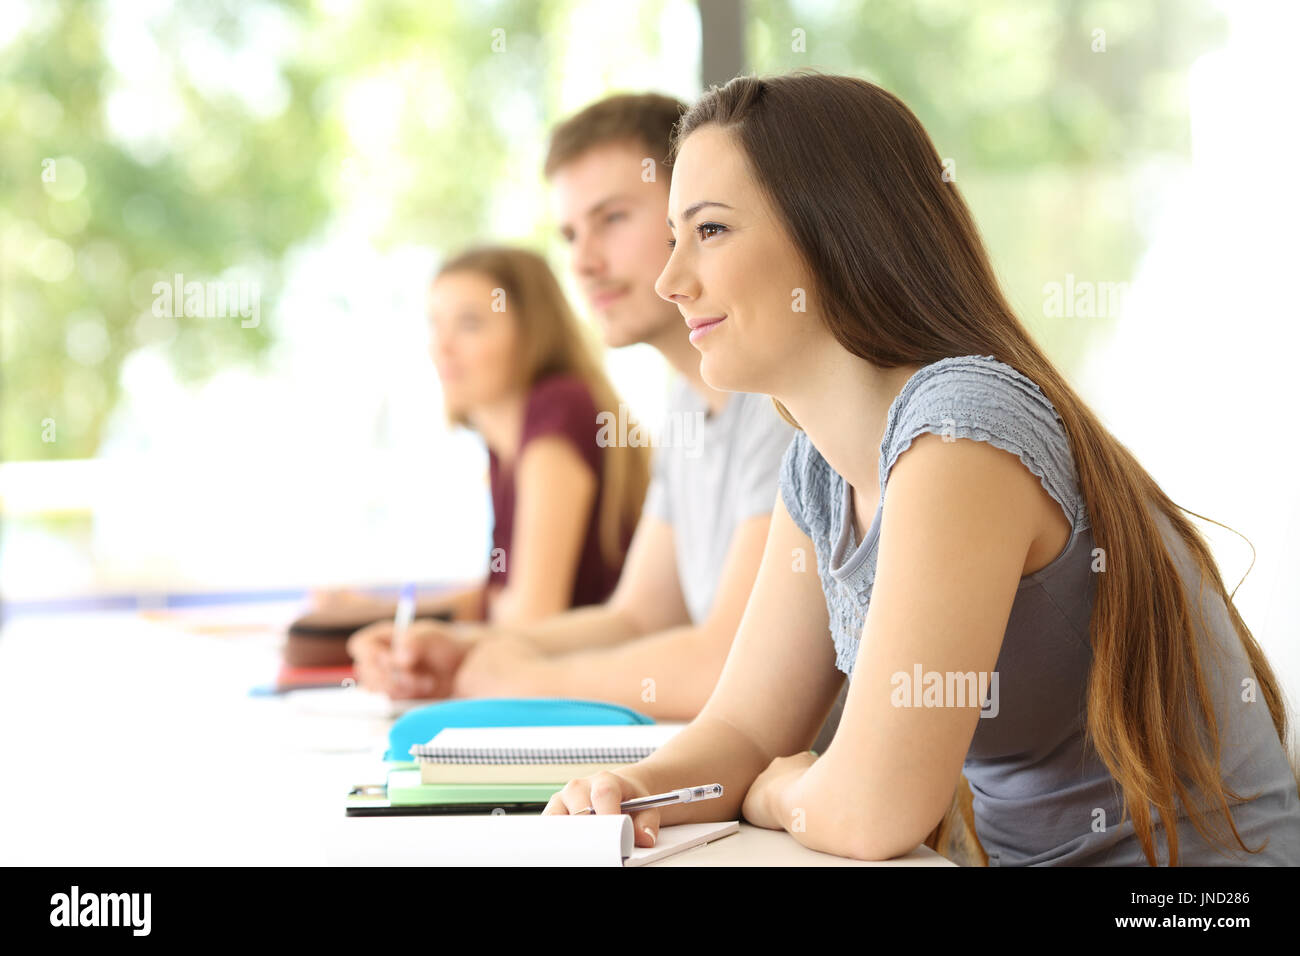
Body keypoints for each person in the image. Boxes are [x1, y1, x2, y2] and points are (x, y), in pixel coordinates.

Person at [542, 71, 1300, 867]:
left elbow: (872, 812)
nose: (672, 280)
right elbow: (745, 730)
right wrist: (639, 787)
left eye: (712, 232)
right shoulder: (819, 466)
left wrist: (775, 792)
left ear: (832, 231)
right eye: (673, 237)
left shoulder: (961, 432)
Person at [346, 93, 799, 724]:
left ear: (689, 212)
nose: (583, 263)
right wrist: (467, 649)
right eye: (570, 235)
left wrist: (523, 679)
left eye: (612, 219)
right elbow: (638, 616)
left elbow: (725, 664)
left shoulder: (783, 400)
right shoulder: (687, 404)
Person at [303, 246, 649, 634]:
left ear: (532, 334)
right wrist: (368, 610)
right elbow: (494, 598)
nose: (441, 347)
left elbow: (531, 617)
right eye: (436, 325)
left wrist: (380, 617)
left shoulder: (558, 410)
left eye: (469, 324)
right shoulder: (507, 446)